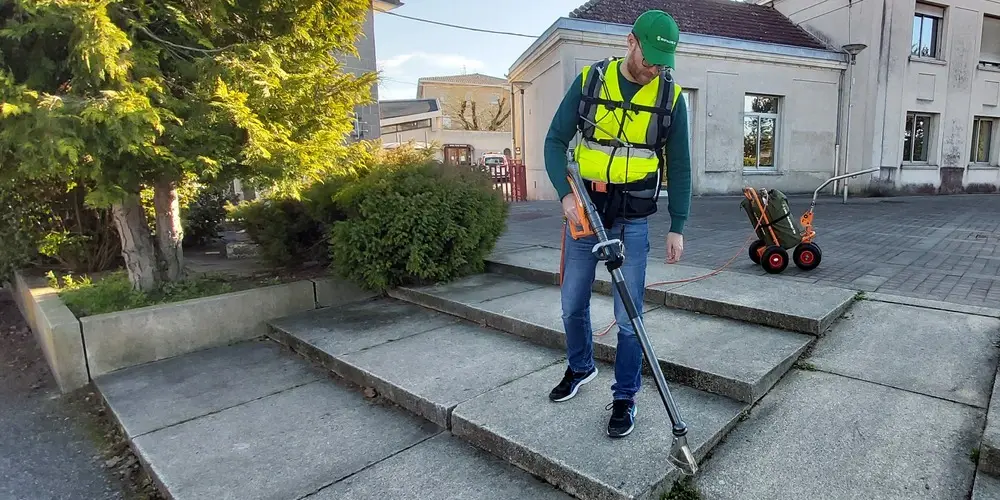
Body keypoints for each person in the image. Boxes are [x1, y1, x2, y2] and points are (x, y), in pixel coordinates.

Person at [542, 9, 692, 438]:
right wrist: (565, 194)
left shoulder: (670, 97)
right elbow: (555, 140)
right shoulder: (591, 81)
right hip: (586, 212)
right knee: (572, 303)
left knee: (629, 319)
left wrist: (677, 224)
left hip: (634, 219)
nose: (654, 70)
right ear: (631, 42)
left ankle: (625, 395)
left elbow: (679, 166)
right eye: (650, 60)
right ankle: (580, 367)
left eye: (664, 63)